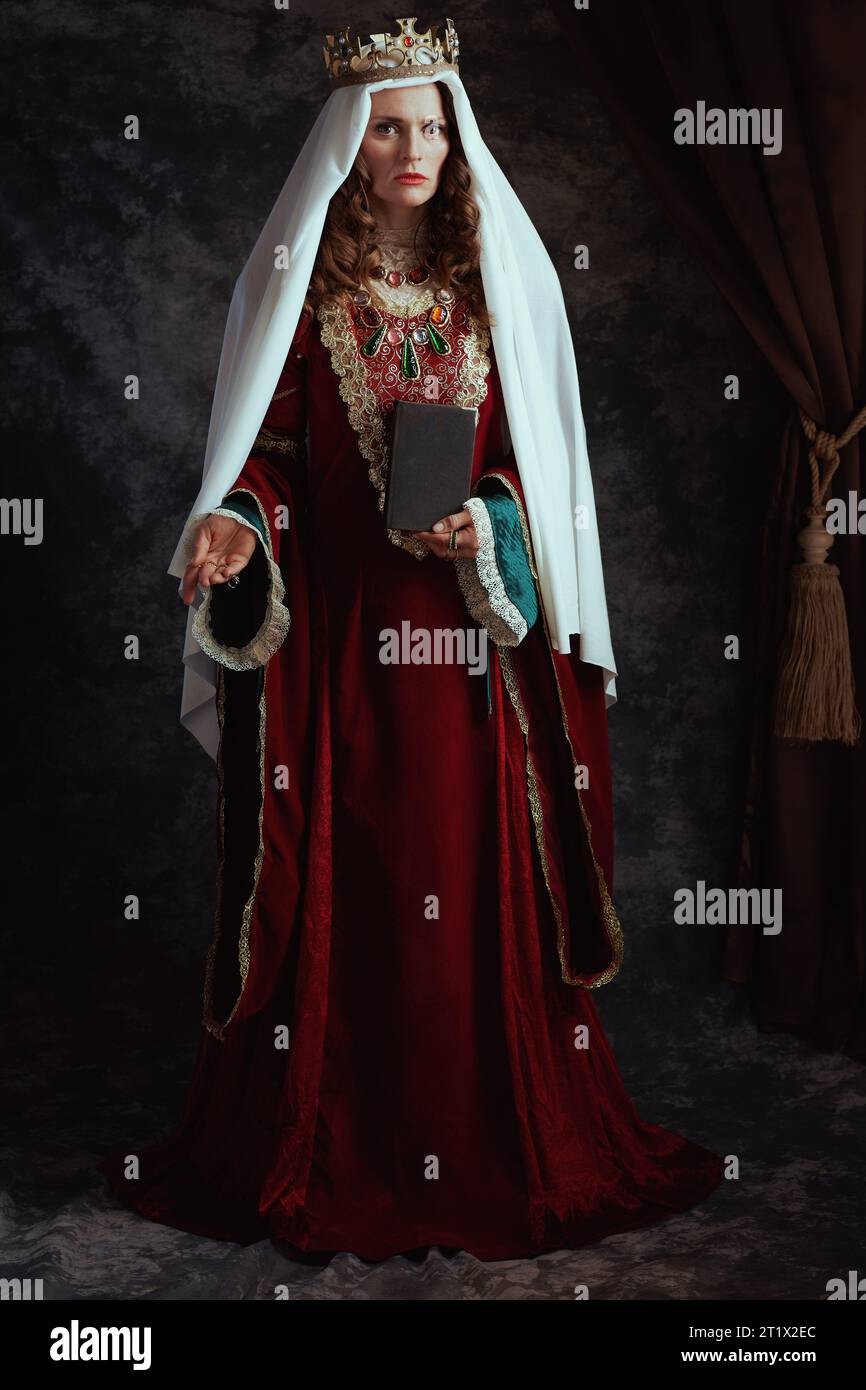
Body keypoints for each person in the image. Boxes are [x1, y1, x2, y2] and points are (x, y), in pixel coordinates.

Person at [98, 17, 724, 1261]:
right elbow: (269, 463)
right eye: (388, 126)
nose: (413, 147)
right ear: (348, 144)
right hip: (339, 663)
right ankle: (340, 1145)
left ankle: (484, 1138)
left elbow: (533, 483)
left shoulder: (493, 293)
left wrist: (481, 525)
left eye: (432, 125)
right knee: (355, 879)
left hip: (466, 668)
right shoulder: (303, 298)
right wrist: (233, 523)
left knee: (464, 876)